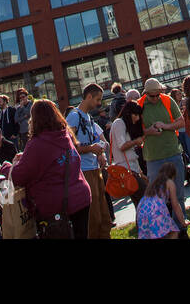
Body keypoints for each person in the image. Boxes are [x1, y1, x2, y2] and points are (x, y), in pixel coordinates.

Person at [10, 100, 92, 239]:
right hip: (80, 196)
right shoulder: (66, 135)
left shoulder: (37, 144)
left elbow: (18, 177)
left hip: (57, 206)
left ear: (34, 119)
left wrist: (14, 165)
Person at [66, 83, 112, 239]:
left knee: (103, 212)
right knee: (93, 216)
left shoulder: (88, 117)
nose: (99, 103)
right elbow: (69, 146)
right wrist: (91, 149)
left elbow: (93, 141)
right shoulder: (74, 116)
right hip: (83, 171)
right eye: (97, 99)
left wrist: (100, 153)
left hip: (94, 167)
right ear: (89, 96)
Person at [138, 78, 187, 211]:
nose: (154, 98)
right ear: (145, 93)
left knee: (178, 196)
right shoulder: (139, 106)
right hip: (153, 158)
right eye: (151, 96)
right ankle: (165, 229)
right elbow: (134, 133)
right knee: (158, 199)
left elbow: (181, 122)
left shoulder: (167, 100)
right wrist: (148, 131)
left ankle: (181, 228)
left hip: (173, 153)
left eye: (157, 95)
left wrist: (165, 126)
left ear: (160, 91)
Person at [109, 100, 148, 214]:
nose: (137, 118)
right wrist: (136, 141)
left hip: (132, 168)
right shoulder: (119, 123)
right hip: (126, 169)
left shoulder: (122, 124)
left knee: (139, 203)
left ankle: (143, 227)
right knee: (144, 198)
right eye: (135, 115)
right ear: (128, 113)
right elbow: (122, 146)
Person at [136, 162, 186, 239]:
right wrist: (183, 221)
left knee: (150, 236)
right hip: (155, 211)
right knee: (174, 231)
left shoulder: (154, 182)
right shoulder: (169, 182)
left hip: (141, 211)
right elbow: (175, 205)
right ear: (173, 175)